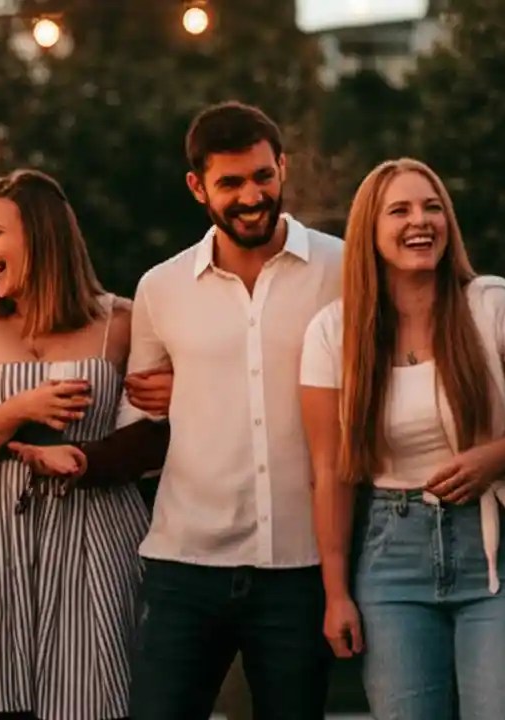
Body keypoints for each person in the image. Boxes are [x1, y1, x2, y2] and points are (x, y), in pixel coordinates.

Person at [299, 158, 505, 719]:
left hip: (501, 549)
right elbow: (330, 469)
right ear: (371, 229)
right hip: (392, 555)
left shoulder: (495, 305)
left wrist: (495, 457)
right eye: (401, 210)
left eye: (433, 207)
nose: (422, 221)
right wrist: (336, 593)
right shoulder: (333, 333)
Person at [124, 101, 342, 719]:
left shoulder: (344, 268)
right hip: (184, 567)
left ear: (283, 169)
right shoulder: (159, 288)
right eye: (231, 183)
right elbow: (146, 415)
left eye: (263, 177)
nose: (252, 196)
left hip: (301, 565)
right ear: (198, 187)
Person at [0, 169, 167, 720]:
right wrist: (18, 410)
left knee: (94, 701)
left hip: (98, 528)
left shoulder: (124, 319)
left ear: (39, 234)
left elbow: (155, 434)